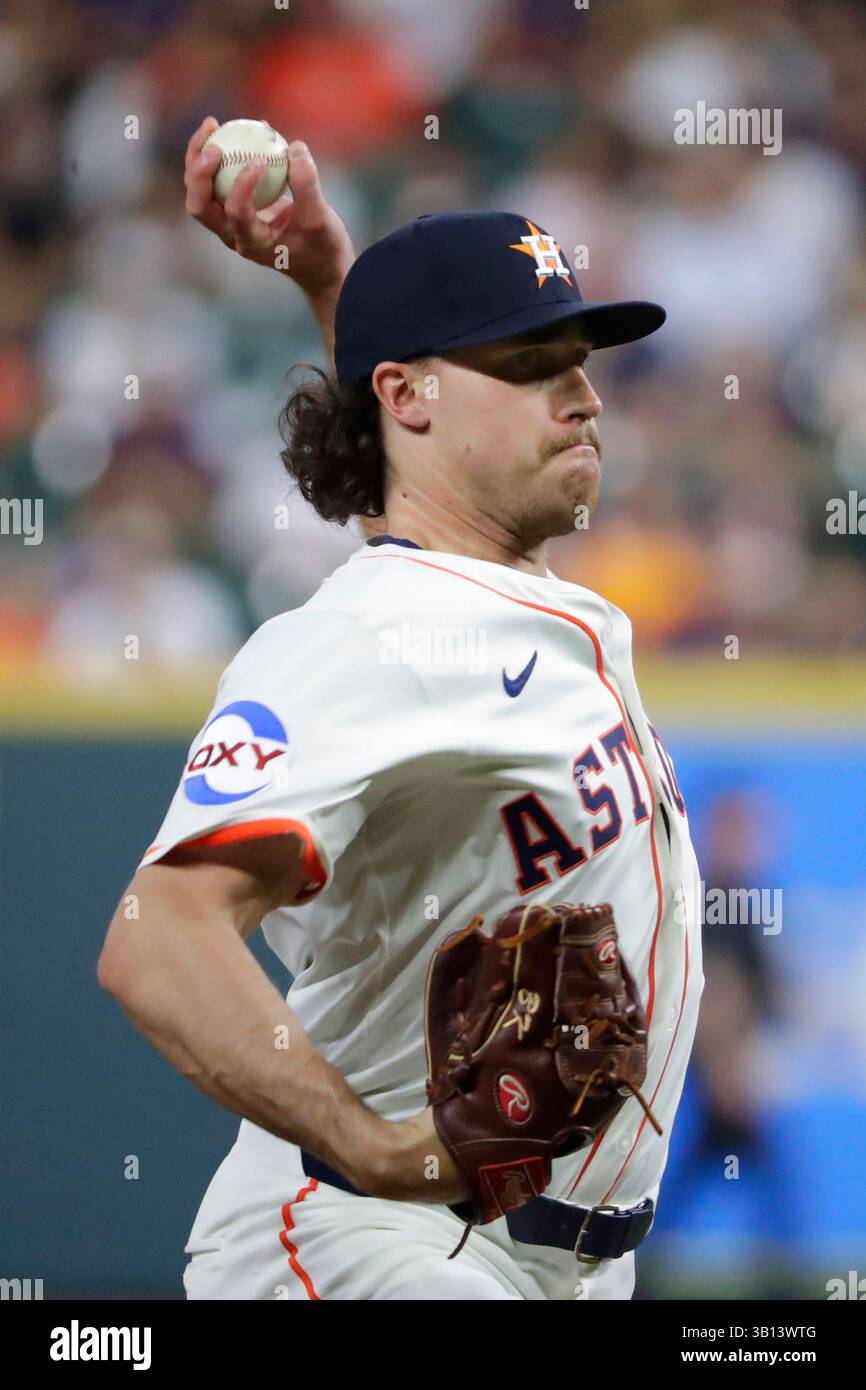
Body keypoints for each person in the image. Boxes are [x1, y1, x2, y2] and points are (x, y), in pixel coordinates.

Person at [97, 119, 704, 1301]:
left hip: (564, 1262)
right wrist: (374, 1150)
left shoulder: (503, 588)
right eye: (533, 365)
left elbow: (415, 474)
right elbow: (155, 937)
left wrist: (335, 279)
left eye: (579, 358)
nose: (581, 396)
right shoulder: (361, 638)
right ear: (404, 395)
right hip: (370, 1237)